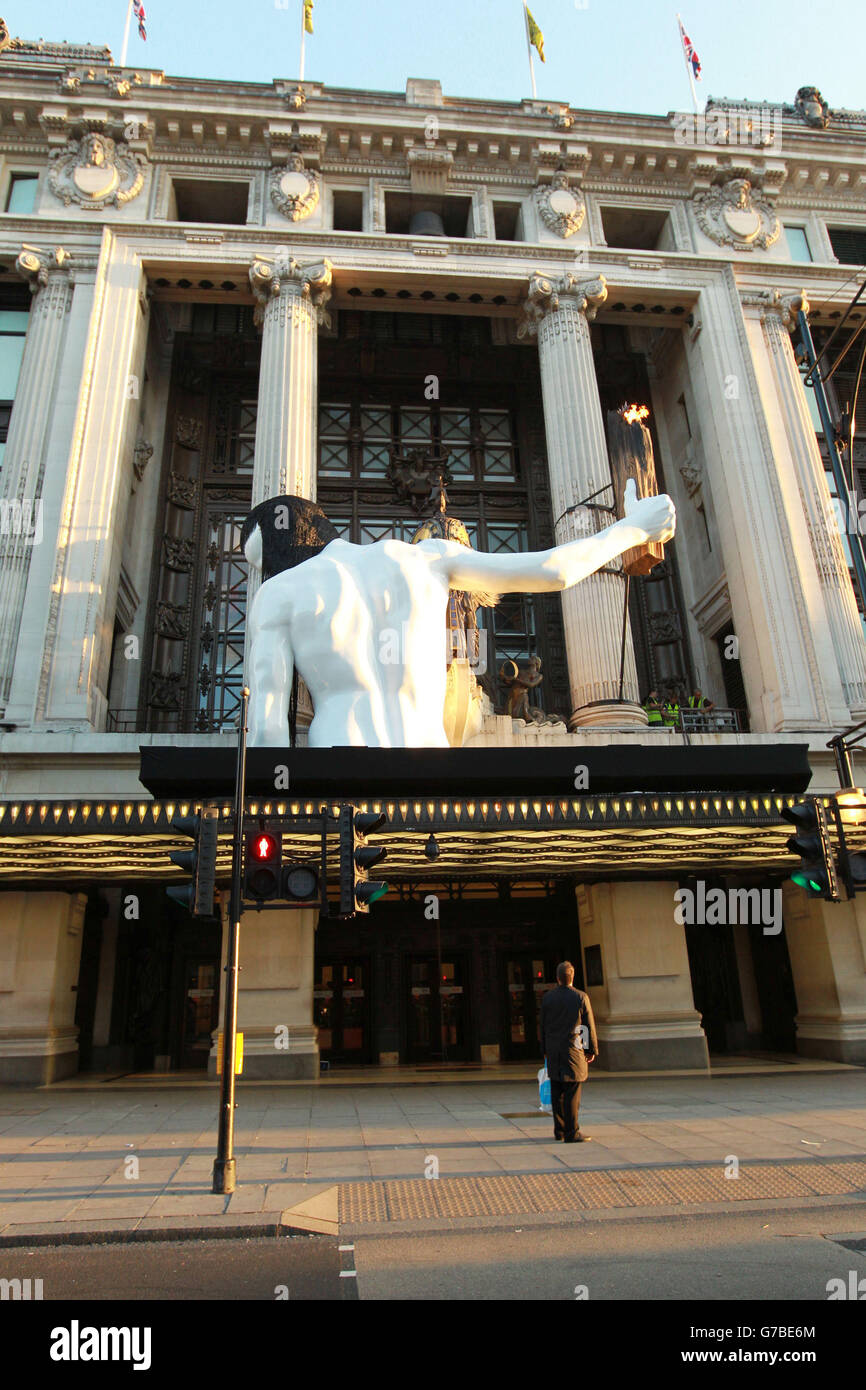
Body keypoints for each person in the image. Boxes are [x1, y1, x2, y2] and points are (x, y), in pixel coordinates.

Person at [243, 481, 676, 748]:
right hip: (429, 771)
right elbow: (554, 570)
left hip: (337, 775)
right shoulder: (426, 557)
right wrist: (634, 528)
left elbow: (266, 734)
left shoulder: (279, 593)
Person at [539, 961, 599, 1143]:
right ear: (572, 977)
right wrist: (590, 1049)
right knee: (572, 1091)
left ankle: (560, 1130)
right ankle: (572, 1132)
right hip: (574, 1050)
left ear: (557, 978)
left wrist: (544, 1050)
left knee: (557, 1090)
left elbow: (542, 1026)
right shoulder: (580, 997)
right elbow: (587, 1026)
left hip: (554, 1051)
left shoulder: (548, 998)